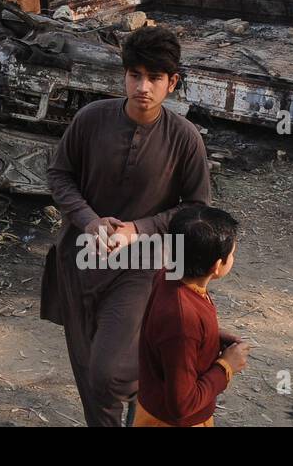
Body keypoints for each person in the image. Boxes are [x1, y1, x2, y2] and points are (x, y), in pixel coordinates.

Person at [39, 25, 211, 427]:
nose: (143, 87)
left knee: (108, 373)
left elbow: (198, 208)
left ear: (173, 82)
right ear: (124, 76)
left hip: (141, 269)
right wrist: (88, 220)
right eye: (136, 75)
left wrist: (140, 228)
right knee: (88, 373)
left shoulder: (185, 139)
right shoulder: (91, 119)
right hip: (79, 263)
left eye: (154, 78)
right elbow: (59, 176)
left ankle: (147, 383)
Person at [135, 206, 247, 427]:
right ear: (217, 266)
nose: (233, 257)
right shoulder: (183, 319)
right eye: (232, 254)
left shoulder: (168, 276)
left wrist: (211, 337)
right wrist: (226, 366)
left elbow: (166, 338)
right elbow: (182, 405)